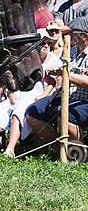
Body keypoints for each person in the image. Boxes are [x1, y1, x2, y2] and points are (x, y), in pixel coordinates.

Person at [25, 16, 88, 149]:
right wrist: (55, 73)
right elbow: (62, 74)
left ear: (84, 36)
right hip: (62, 96)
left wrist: (65, 74)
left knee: (64, 116)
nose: (69, 36)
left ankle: (79, 153)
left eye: (72, 34)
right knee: (32, 113)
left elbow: (86, 82)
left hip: (84, 101)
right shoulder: (71, 51)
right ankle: (61, 150)